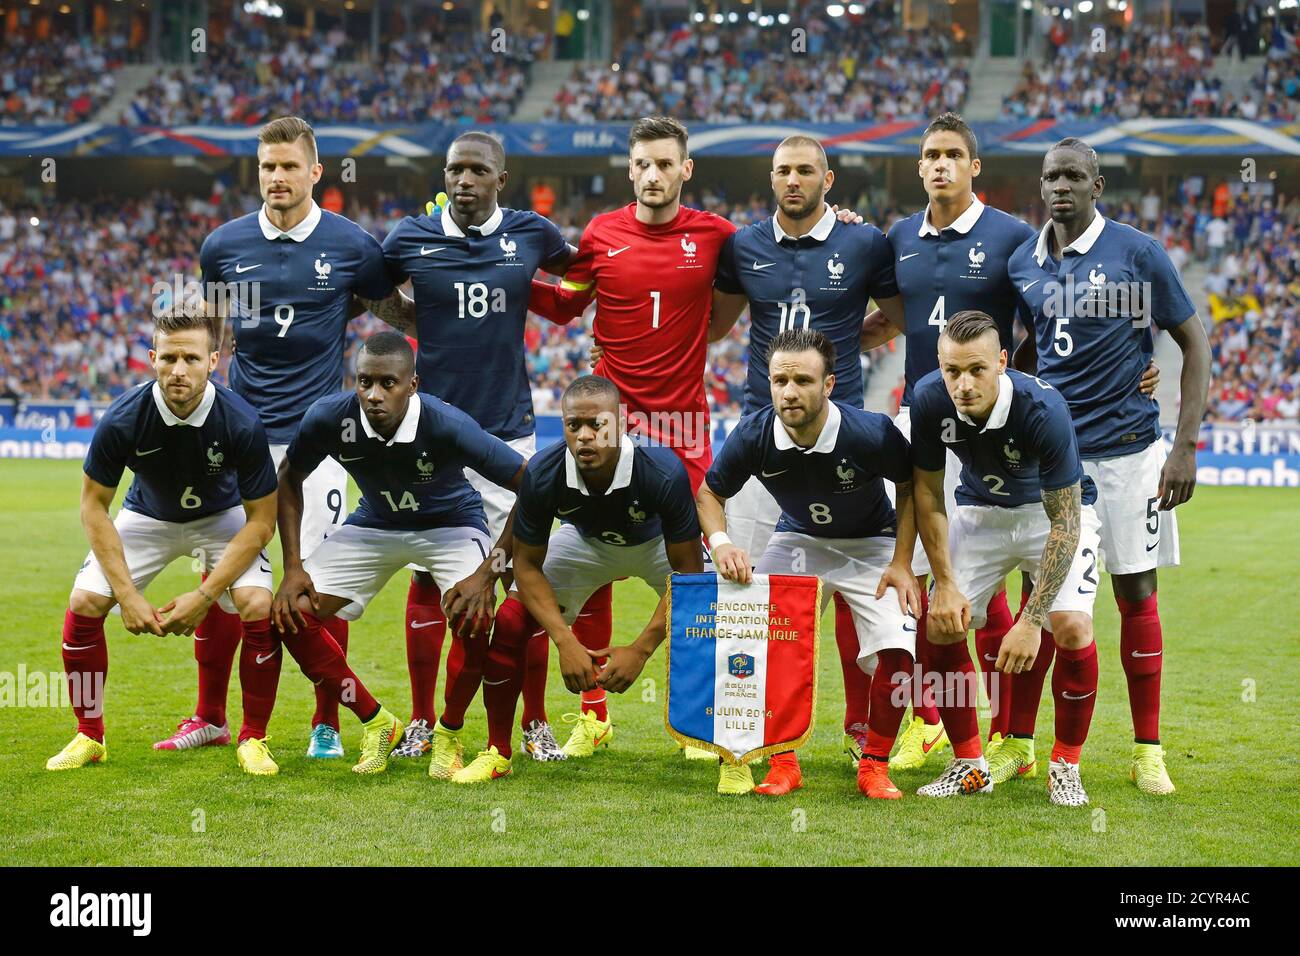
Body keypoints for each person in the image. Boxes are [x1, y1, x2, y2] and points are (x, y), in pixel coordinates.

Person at [191, 115, 415, 759]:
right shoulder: (223, 246)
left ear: (315, 173)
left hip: (319, 447)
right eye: (267, 167)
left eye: (290, 166)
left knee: (316, 590)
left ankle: (328, 723)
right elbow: (210, 334)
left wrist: (451, 287)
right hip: (241, 442)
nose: (277, 178)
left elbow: (392, 312)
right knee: (230, 584)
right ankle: (210, 717)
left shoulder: (353, 246)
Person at [1010, 137, 1211, 796]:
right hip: (1056, 461)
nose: (1060, 186)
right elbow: (1025, 358)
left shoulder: (1137, 253)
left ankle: (1147, 750)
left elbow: (1195, 341)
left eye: (1073, 175)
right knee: (1040, 602)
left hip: (1128, 455)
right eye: (1050, 177)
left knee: (1136, 593)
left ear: (1097, 184)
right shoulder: (1024, 263)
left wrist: (1183, 444)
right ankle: (1016, 742)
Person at [710, 133, 906, 768]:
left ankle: (860, 733)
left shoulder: (864, 242)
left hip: (843, 433)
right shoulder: (743, 245)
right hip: (763, 438)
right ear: (771, 179)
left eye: (804, 171)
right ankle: (749, 738)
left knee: (854, 588)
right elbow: (713, 323)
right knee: (750, 604)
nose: (792, 181)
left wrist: (838, 351)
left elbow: (895, 318)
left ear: (828, 178)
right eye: (782, 171)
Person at [382, 131, 577, 767]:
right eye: (454, 170)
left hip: (507, 434)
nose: (464, 181)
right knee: (426, 578)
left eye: (476, 171)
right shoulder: (413, 235)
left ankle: (536, 722)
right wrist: (418, 321)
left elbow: (588, 273)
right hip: (430, 437)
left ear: (501, 178)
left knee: (524, 581)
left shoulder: (531, 234)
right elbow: (370, 286)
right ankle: (420, 720)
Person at [860, 113, 1038, 767]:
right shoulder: (899, 235)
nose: (940, 164)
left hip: (991, 428)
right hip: (918, 420)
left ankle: (1007, 732)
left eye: (952, 155)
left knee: (987, 589)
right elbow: (888, 317)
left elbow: (1043, 315)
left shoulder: (1012, 236)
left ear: (974, 166)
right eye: (930, 155)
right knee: (925, 580)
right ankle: (930, 720)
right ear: (919, 166)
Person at [272, 332, 528, 780]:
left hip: (451, 524)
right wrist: (293, 566)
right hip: (376, 522)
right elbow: (289, 478)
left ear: (412, 384)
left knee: (475, 616)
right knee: (291, 613)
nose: (374, 395)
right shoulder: (329, 418)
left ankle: (447, 734)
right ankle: (376, 721)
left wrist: (489, 574)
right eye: (365, 382)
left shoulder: (447, 423)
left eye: (387, 383)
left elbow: (531, 487)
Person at [48, 310, 278, 776]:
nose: (179, 369)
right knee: (86, 602)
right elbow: (94, 506)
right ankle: (89, 736)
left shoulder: (241, 421)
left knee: (255, 602)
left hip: (221, 518)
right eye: (169, 357)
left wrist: (206, 593)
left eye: (190, 358)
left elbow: (262, 522)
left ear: (212, 361)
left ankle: (254, 738)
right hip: (147, 516)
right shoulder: (123, 418)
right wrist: (128, 596)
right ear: (152, 359)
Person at [696, 329, 921, 797]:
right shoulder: (755, 434)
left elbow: (911, 486)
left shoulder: (870, 432)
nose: (789, 392)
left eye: (802, 380)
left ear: (830, 385)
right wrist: (720, 544)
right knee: (761, 638)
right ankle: (783, 763)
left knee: (900, 655)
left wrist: (902, 561)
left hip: (871, 543)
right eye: (780, 380)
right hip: (799, 540)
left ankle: (875, 766)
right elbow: (709, 494)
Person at [452, 375, 704, 782]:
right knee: (513, 621)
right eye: (574, 426)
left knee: (714, 609)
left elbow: (689, 574)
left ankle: (702, 731)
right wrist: (565, 641)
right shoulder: (544, 471)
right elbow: (528, 566)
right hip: (585, 543)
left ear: (621, 422)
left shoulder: (661, 469)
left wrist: (640, 650)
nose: (585, 437)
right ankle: (497, 750)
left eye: (598, 425)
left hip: (656, 544)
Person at [911, 310, 1103, 806]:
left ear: (1001, 361)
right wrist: (945, 582)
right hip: (981, 512)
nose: (963, 384)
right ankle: (970, 764)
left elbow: (1065, 522)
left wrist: (1031, 620)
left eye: (977, 369)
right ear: (939, 364)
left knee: (1072, 627)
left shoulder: (1043, 408)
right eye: (952, 371)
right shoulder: (929, 400)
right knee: (940, 624)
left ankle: (1066, 765)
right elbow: (928, 496)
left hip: (1053, 517)